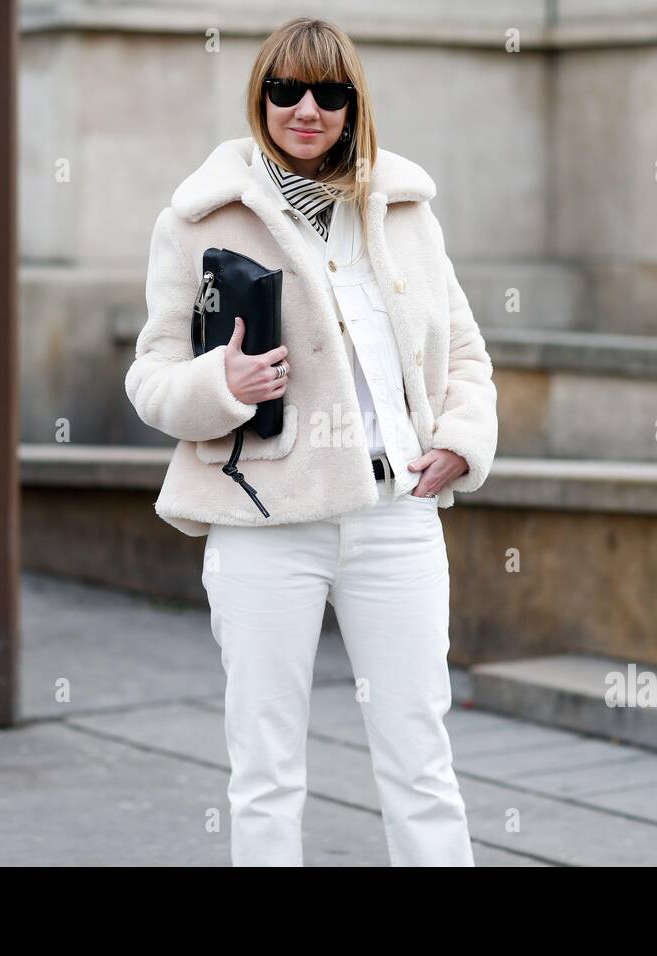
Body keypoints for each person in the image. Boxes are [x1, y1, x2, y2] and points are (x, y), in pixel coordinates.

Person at [124, 16, 497, 866]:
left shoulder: (404, 213)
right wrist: (223, 385)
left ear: (353, 105)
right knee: (265, 771)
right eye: (284, 90)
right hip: (266, 525)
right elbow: (150, 377)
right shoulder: (199, 220)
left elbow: (466, 354)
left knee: (421, 761)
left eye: (328, 94)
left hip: (397, 517)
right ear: (259, 98)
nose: (305, 109)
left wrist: (462, 441)